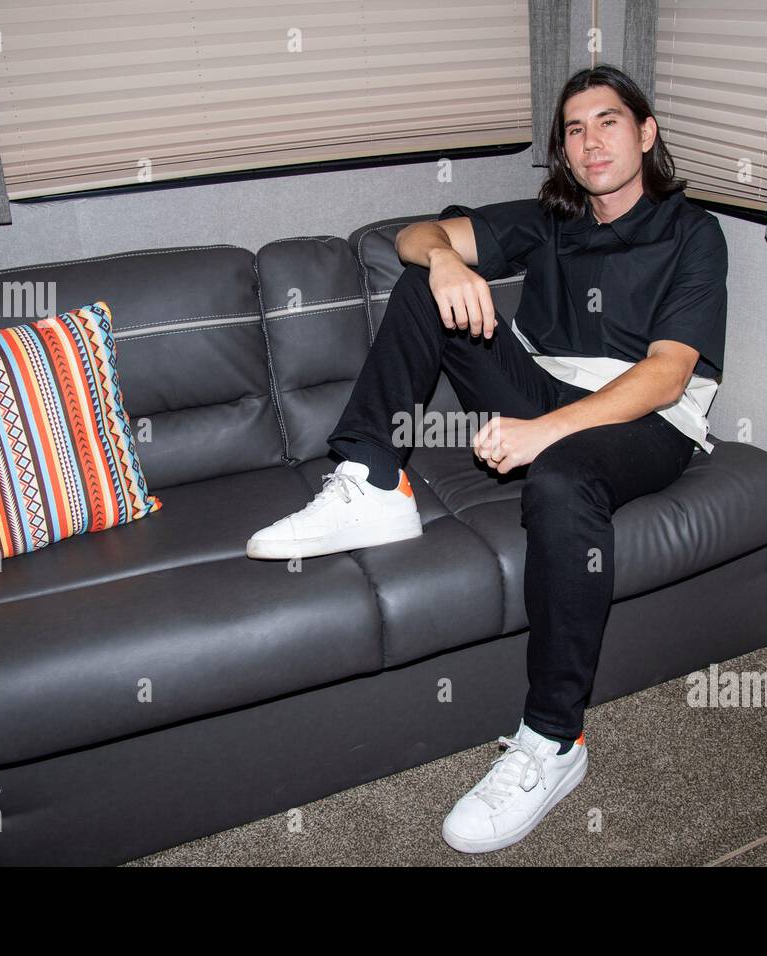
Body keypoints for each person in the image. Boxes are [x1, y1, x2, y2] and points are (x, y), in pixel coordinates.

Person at [246, 63, 728, 854]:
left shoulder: (691, 233)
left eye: (609, 121)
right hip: (544, 386)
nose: (590, 140)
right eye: (574, 129)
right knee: (421, 287)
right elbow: (407, 236)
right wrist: (442, 260)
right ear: (563, 152)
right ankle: (373, 480)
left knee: (568, 478)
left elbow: (668, 372)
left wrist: (547, 435)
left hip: (645, 414)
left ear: (645, 134)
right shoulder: (550, 219)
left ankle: (553, 740)